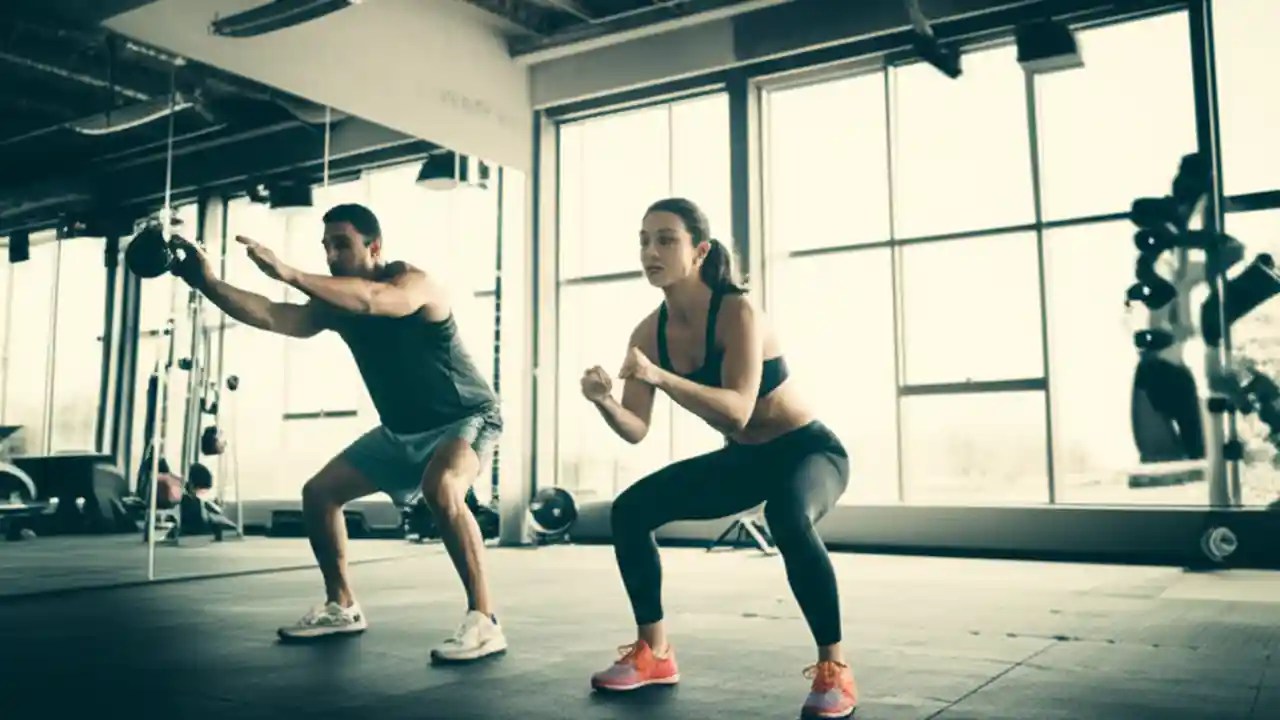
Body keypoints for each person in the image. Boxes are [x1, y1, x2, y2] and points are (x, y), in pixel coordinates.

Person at [168, 203, 507, 663]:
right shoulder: (334, 305)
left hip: (466, 417)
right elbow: (272, 315)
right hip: (400, 431)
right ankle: (342, 605)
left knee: (443, 486)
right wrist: (206, 282)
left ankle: (484, 621)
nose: (331, 255)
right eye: (325, 246)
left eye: (341, 244)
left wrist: (288, 271)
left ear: (375, 247)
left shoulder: (413, 283)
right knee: (319, 494)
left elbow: (375, 300)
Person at [579, 198, 858, 718]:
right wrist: (605, 402)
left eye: (666, 240)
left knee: (787, 517)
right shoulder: (648, 333)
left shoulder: (738, 312)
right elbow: (636, 429)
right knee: (630, 510)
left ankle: (834, 669)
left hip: (808, 450)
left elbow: (737, 410)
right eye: (644, 240)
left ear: (700, 251)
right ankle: (655, 652)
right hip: (746, 460)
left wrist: (659, 376)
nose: (651, 251)